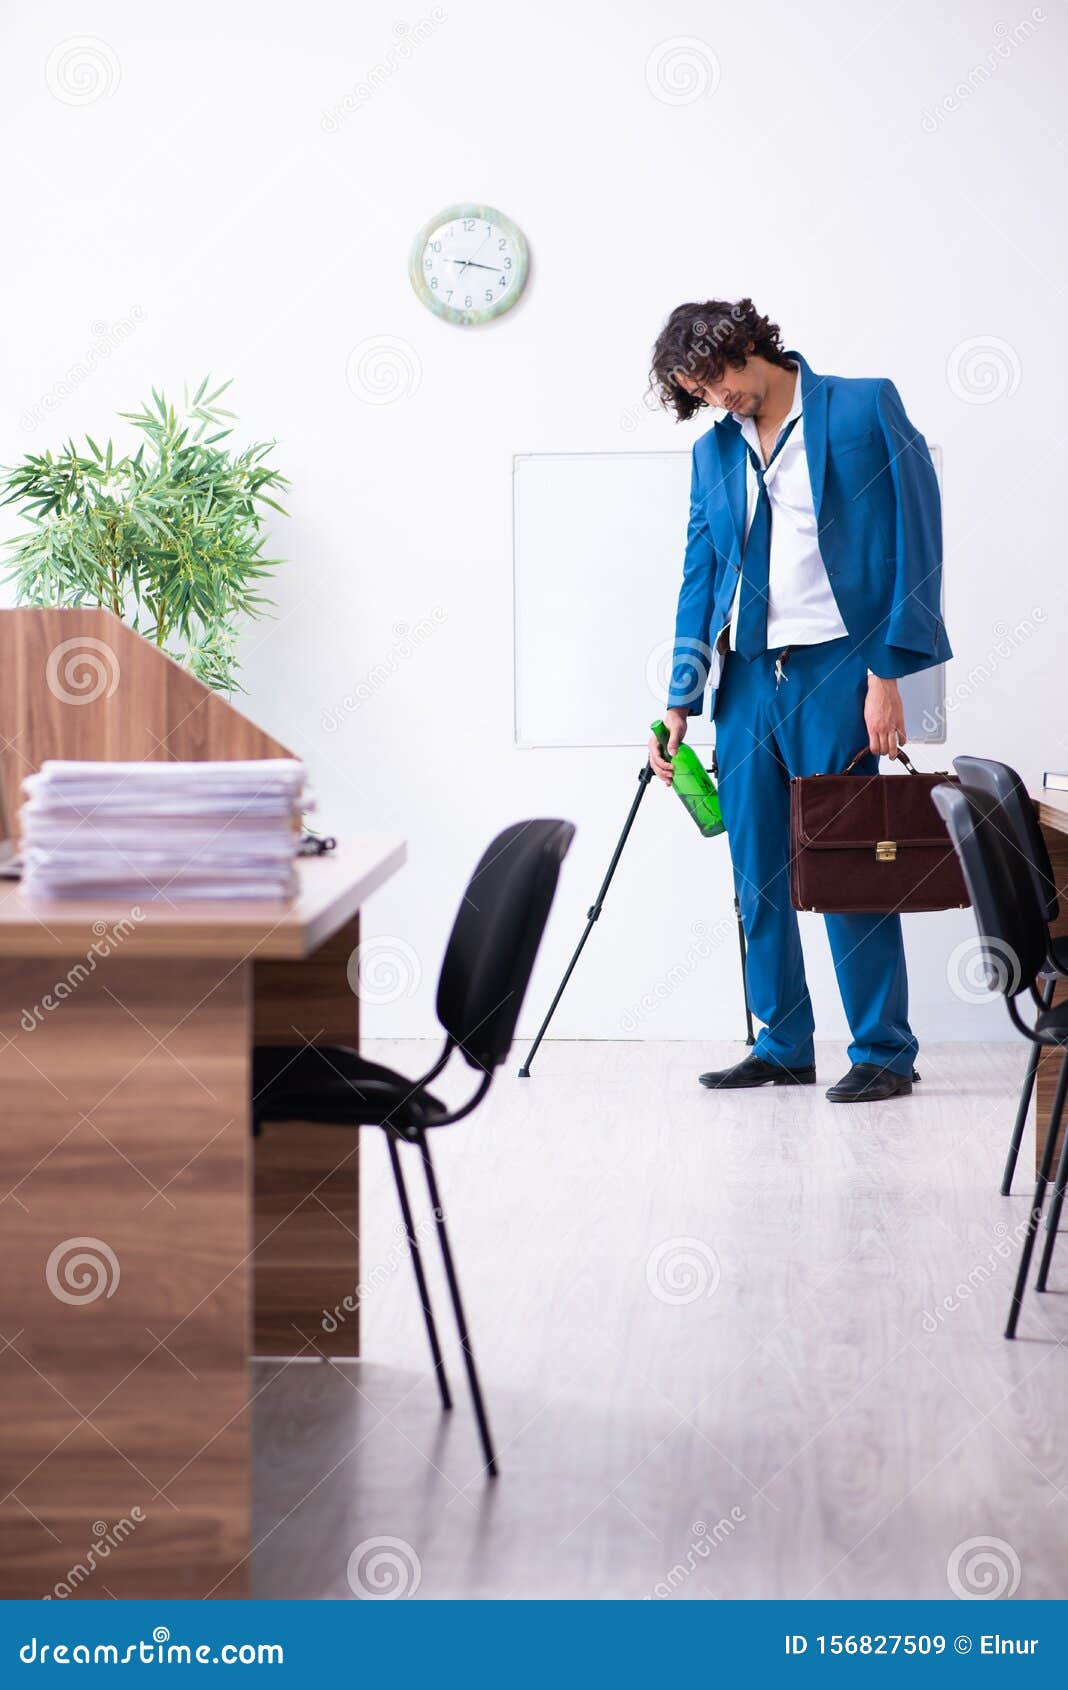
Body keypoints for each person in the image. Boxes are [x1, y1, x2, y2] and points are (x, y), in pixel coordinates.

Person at [648, 299, 950, 1103]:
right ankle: (782, 1042)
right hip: (745, 677)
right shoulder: (714, 454)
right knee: (755, 870)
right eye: (698, 392)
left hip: (839, 670)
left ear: (748, 344)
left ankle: (884, 1051)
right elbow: (699, 577)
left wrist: (888, 675)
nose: (716, 398)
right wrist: (679, 700)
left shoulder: (860, 405)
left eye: (717, 378)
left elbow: (916, 538)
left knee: (849, 860)